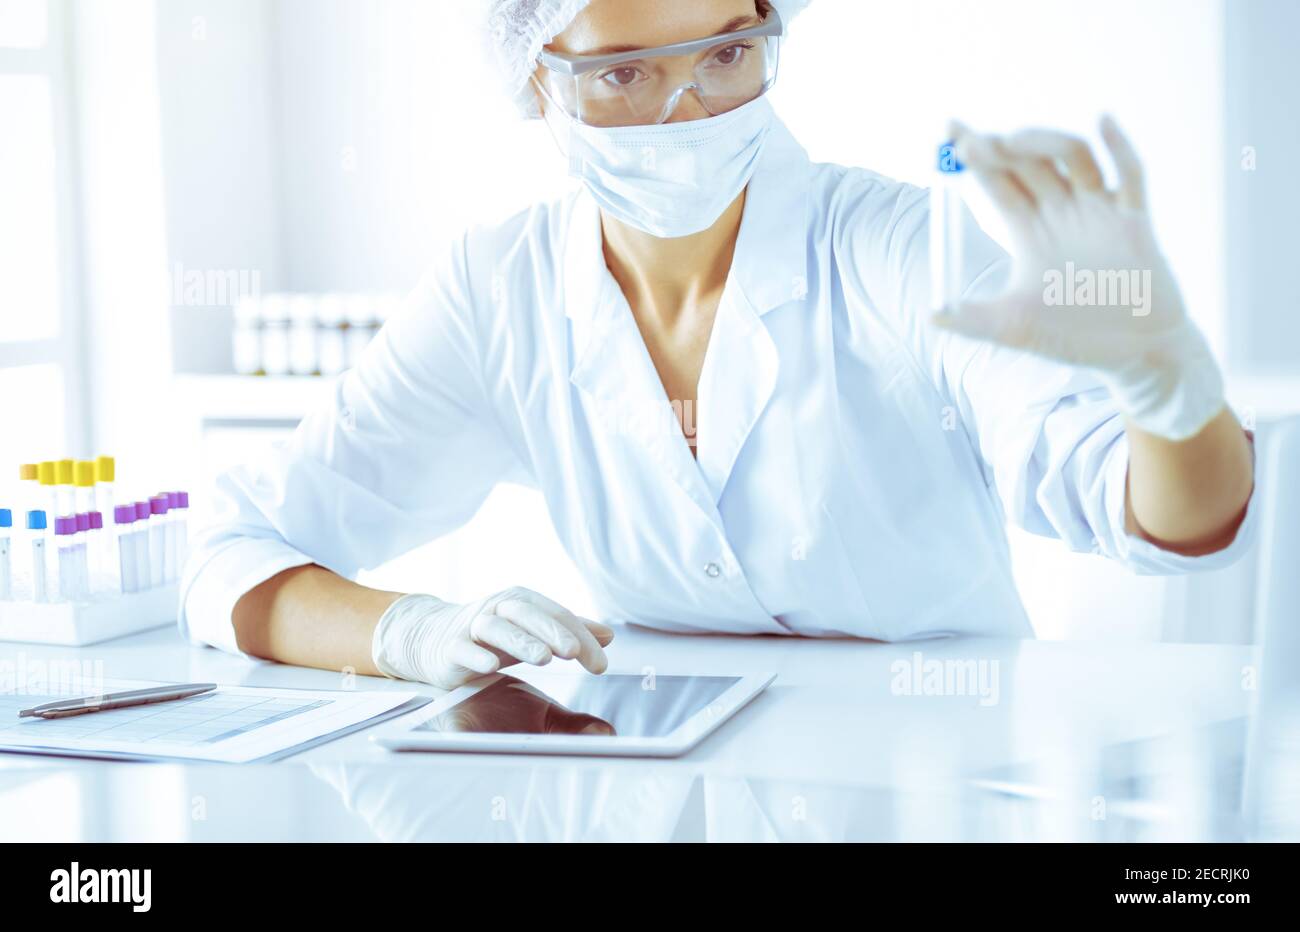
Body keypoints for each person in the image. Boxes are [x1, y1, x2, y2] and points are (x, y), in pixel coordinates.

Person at [180, 0, 1256, 689]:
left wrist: (1168, 388)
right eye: (625, 75)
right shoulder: (496, 286)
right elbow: (233, 543)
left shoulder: (890, 246)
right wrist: (407, 631)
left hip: (946, 783)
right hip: (661, 790)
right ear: (534, 82)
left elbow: (1166, 517)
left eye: (728, 51)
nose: (690, 110)